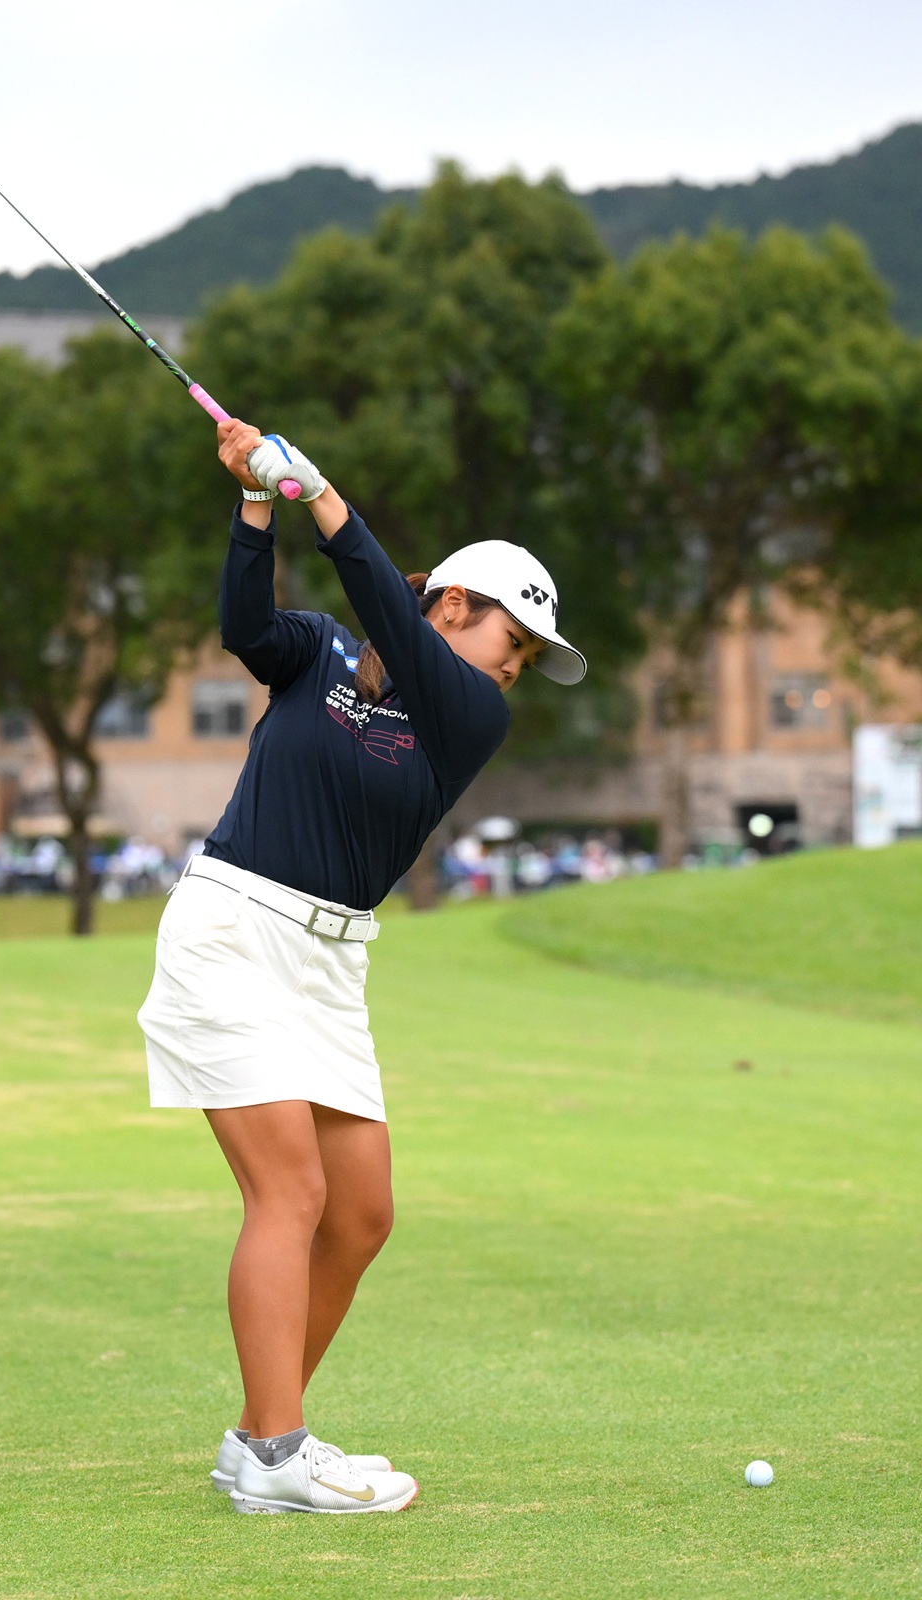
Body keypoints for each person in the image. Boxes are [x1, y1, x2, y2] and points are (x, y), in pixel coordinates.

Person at [138, 418, 586, 1515]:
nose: (513, 670)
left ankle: (257, 1440)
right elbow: (248, 624)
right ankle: (281, 1455)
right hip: (236, 927)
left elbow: (384, 598)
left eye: (524, 660)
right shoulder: (326, 652)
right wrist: (257, 500)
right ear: (454, 606)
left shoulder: (465, 712)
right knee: (288, 1189)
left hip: (334, 965)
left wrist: (323, 495)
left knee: (363, 1211)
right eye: (510, 641)